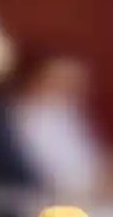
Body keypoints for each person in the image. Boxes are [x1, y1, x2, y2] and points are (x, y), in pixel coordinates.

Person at [8, 49, 106, 199]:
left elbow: (91, 165)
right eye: (61, 79)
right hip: (50, 203)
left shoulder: (63, 114)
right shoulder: (24, 118)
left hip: (91, 194)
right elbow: (54, 177)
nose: (71, 88)